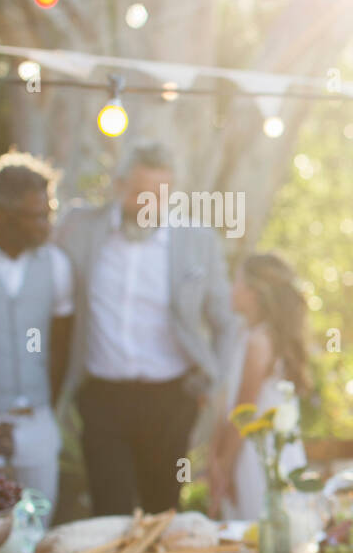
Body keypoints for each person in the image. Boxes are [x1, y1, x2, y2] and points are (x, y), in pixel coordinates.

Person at [57, 141, 238, 515]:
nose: (148, 204)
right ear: (120, 185)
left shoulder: (197, 241)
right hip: (102, 397)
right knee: (110, 511)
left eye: (160, 193)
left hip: (172, 398)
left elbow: (225, 322)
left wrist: (211, 381)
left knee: (163, 510)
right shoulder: (79, 227)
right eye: (140, 192)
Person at [0, 152, 72, 511]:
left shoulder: (56, 265)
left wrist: (46, 402)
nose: (47, 225)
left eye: (49, 212)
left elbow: (63, 345)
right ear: (3, 215)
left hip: (37, 424)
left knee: (37, 532)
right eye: (37, 216)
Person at [207, 253, 310, 521]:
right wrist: (214, 456)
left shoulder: (260, 342)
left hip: (259, 457)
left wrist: (225, 468)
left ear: (255, 292)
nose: (231, 289)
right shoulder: (244, 335)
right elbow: (227, 404)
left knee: (259, 531)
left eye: (237, 282)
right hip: (243, 450)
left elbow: (245, 411)